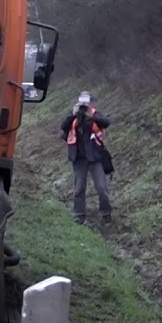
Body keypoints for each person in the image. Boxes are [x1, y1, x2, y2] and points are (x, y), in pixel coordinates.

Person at [60, 91, 113, 224]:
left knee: (102, 188)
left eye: (86, 100)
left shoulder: (95, 114)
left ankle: (106, 214)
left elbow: (106, 122)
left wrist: (91, 116)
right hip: (78, 158)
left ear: (90, 101)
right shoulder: (73, 115)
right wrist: (74, 114)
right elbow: (63, 126)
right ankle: (79, 216)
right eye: (82, 100)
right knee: (79, 188)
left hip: (95, 158)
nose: (84, 104)